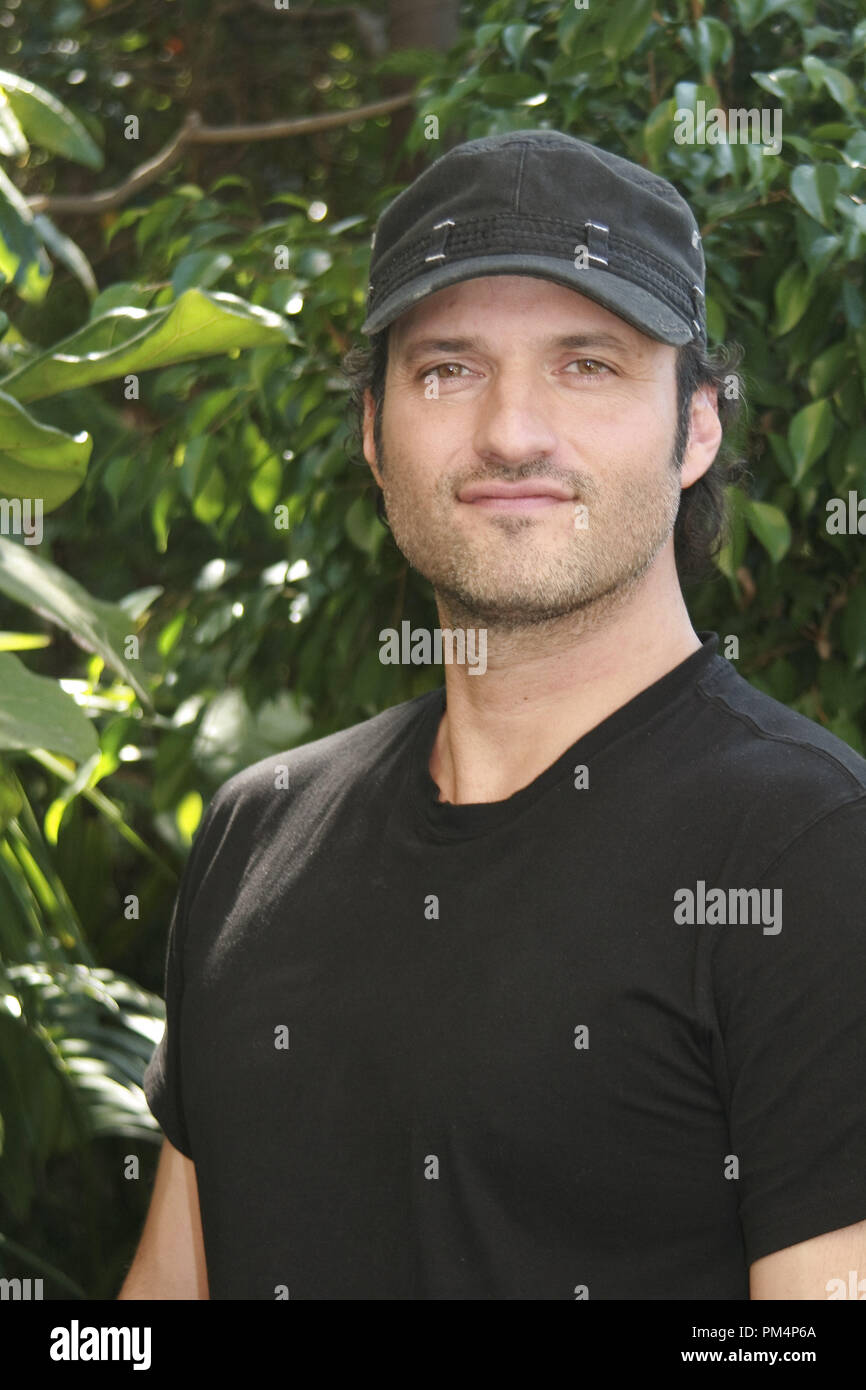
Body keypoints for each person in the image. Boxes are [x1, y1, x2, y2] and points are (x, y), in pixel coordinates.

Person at [119, 130, 866, 1301]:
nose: (512, 432)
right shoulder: (256, 832)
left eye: (587, 363)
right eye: (446, 369)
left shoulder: (811, 850)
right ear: (373, 431)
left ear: (698, 426)